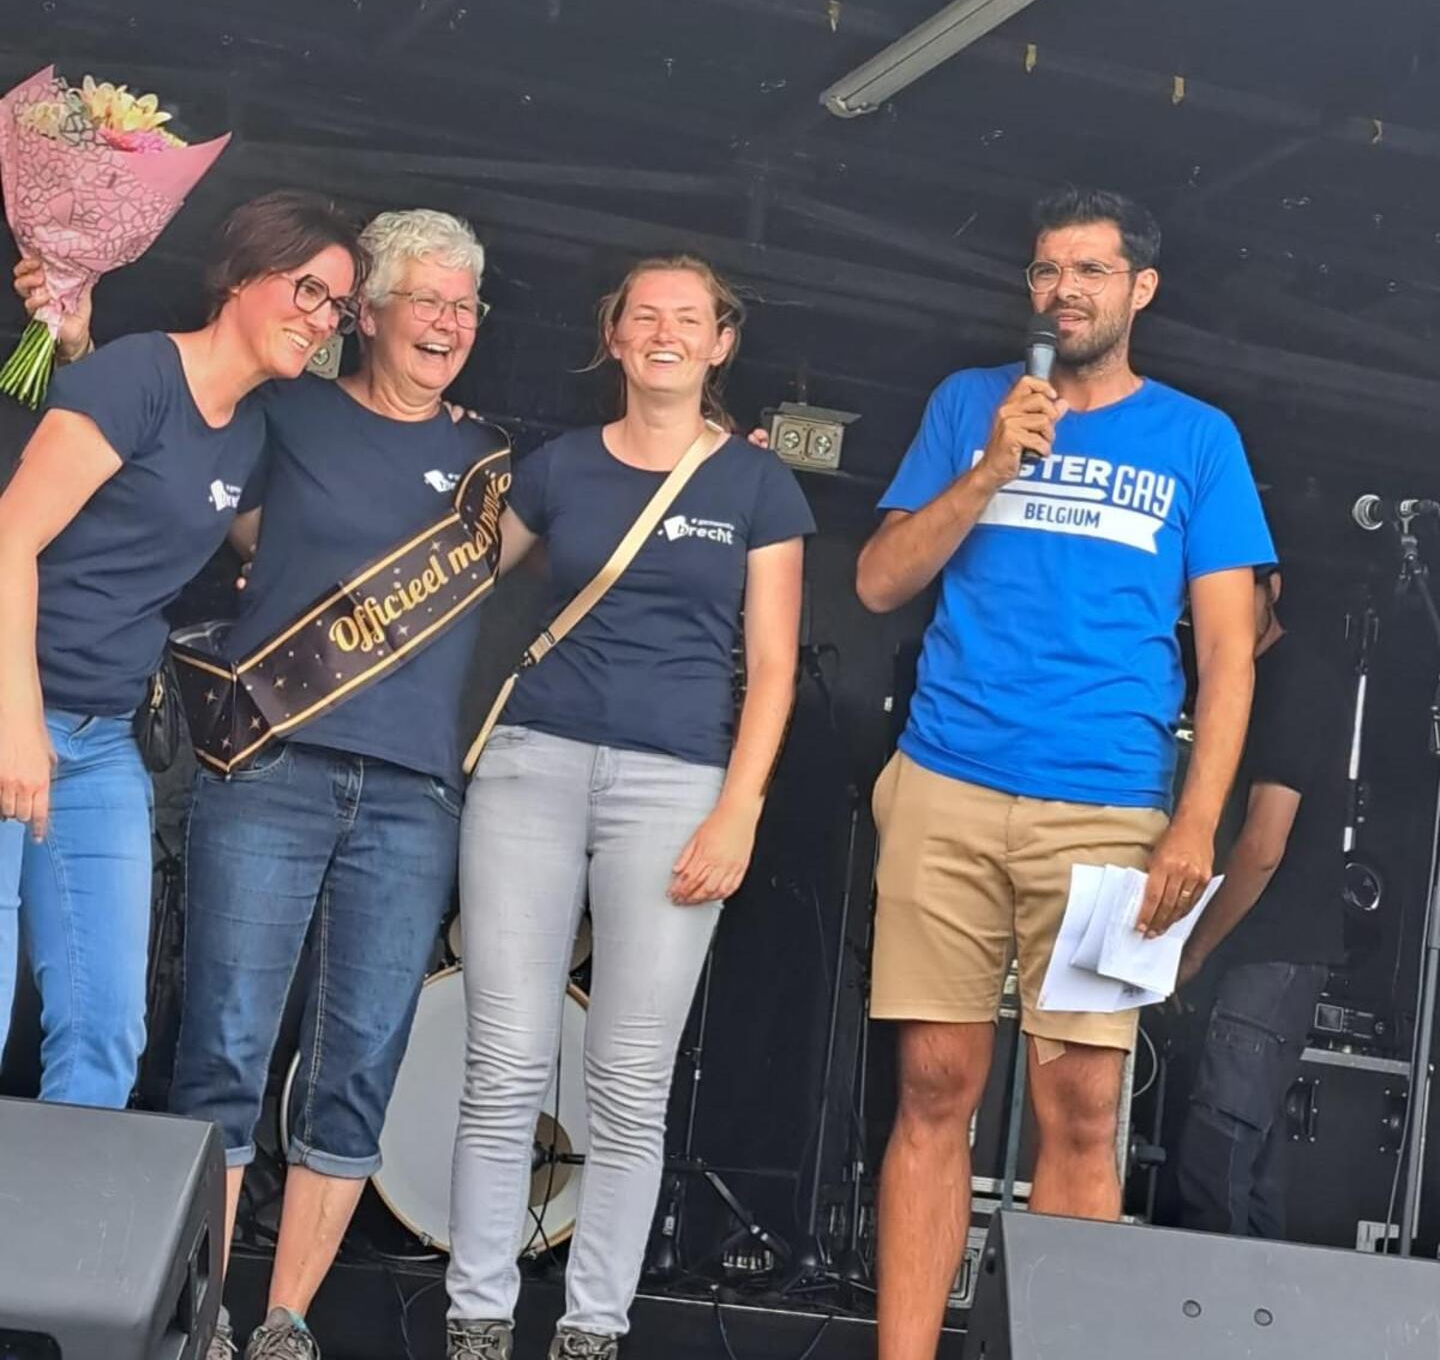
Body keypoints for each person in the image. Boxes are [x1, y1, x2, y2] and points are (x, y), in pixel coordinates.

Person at [854, 186, 1274, 1360]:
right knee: (933, 1083)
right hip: (945, 781)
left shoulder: (1199, 438)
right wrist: (991, 465)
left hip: (1110, 806)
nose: (1064, 291)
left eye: (1090, 270)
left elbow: (1231, 658)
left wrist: (1194, 822)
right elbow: (879, 581)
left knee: (1084, 1105)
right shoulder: (968, 404)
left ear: (1142, 288)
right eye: (1047, 270)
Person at [444, 255, 815, 1360]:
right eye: (644, 315)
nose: (664, 332)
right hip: (531, 766)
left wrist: (740, 809)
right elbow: (452, 581)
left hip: (676, 786)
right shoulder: (559, 465)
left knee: (628, 1079)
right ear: (613, 336)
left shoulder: (758, 485)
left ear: (720, 344)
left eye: (687, 318)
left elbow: (775, 667)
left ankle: (591, 1330)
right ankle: (477, 1318)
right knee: (503, 1060)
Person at [165, 210, 510, 1360]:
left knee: (359, 1062)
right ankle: (200, 1316)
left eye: (465, 305)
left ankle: (283, 1322)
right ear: (366, 312)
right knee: (227, 1043)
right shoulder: (287, 412)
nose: (449, 323)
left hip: (413, 799)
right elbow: (183, 464)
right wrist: (69, 341)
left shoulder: (490, 465)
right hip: (271, 767)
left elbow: (610, 513)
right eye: (427, 300)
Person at [0, 192, 363, 1108]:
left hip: (103, 742)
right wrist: (16, 722)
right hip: (15, 708)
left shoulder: (247, 429)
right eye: (309, 289)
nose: (323, 318)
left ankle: (62, 1211)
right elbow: (9, 537)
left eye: (338, 305)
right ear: (240, 276)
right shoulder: (141, 374)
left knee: (106, 1029)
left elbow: (272, 551)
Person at [1173, 562, 1347, 1237]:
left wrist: (1193, 950)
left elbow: (1262, 845)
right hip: (1254, 955)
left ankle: (1215, 1309)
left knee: (1213, 1168)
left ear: (1274, 588)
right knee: (1252, 1174)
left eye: (1234, 589)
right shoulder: (1237, 680)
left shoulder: (1294, 682)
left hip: (1271, 954)